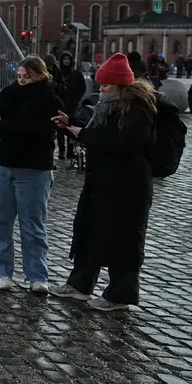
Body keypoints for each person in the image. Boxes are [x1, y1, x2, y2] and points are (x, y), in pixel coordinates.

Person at [50, 53, 156, 311]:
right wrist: (72, 125)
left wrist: (82, 134)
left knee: (124, 239)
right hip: (102, 182)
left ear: (120, 85)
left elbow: (121, 142)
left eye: (105, 85)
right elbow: (97, 132)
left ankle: (121, 295)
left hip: (128, 186)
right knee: (90, 231)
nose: (100, 89)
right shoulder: (106, 105)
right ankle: (80, 285)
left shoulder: (138, 109)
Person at [0, 57, 62, 294]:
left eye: (28, 76)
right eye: (20, 76)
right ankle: (1, 272)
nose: (22, 81)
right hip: (0, 166)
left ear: (40, 76)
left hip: (33, 170)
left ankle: (37, 275)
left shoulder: (50, 100)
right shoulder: (9, 93)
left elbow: (41, 133)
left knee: (33, 225)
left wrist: (2, 126)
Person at [54, 52, 86, 160]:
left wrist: (76, 99)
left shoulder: (76, 74)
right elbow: (54, 87)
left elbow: (82, 88)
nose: (66, 61)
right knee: (60, 127)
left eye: (68, 59)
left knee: (71, 126)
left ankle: (70, 150)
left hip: (72, 104)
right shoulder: (58, 74)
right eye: (64, 59)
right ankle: (62, 150)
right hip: (61, 103)